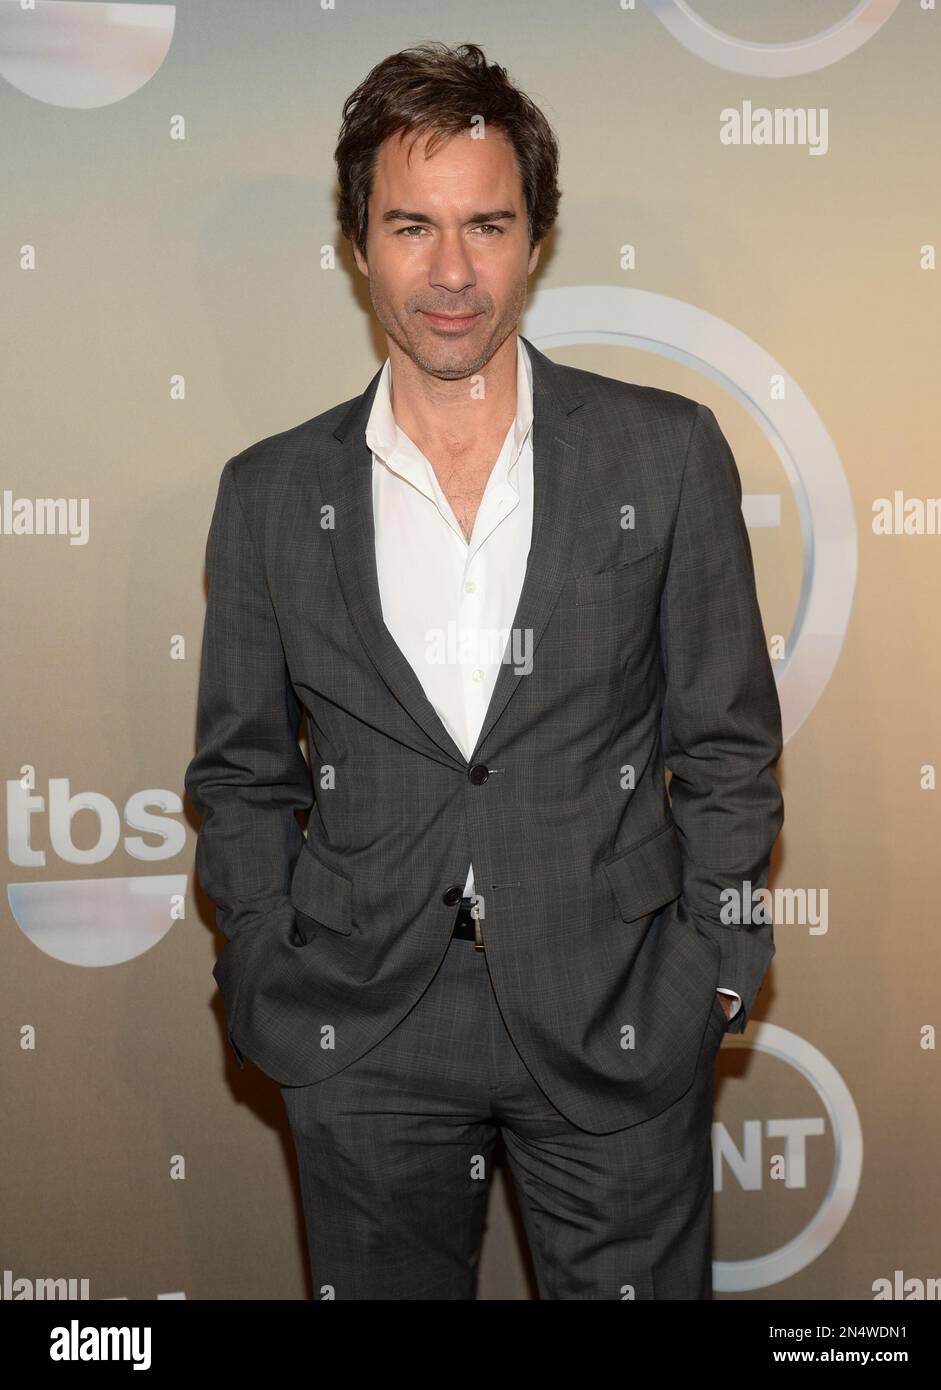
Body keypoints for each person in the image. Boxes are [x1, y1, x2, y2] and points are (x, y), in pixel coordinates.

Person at [184, 41, 784, 1301]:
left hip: (618, 1005)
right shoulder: (270, 493)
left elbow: (725, 745)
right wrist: (262, 962)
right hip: (363, 1024)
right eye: (412, 226)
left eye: (486, 225)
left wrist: (708, 976)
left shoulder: (662, 456)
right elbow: (241, 773)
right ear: (360, 243)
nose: (450, 272)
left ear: (535, 238)